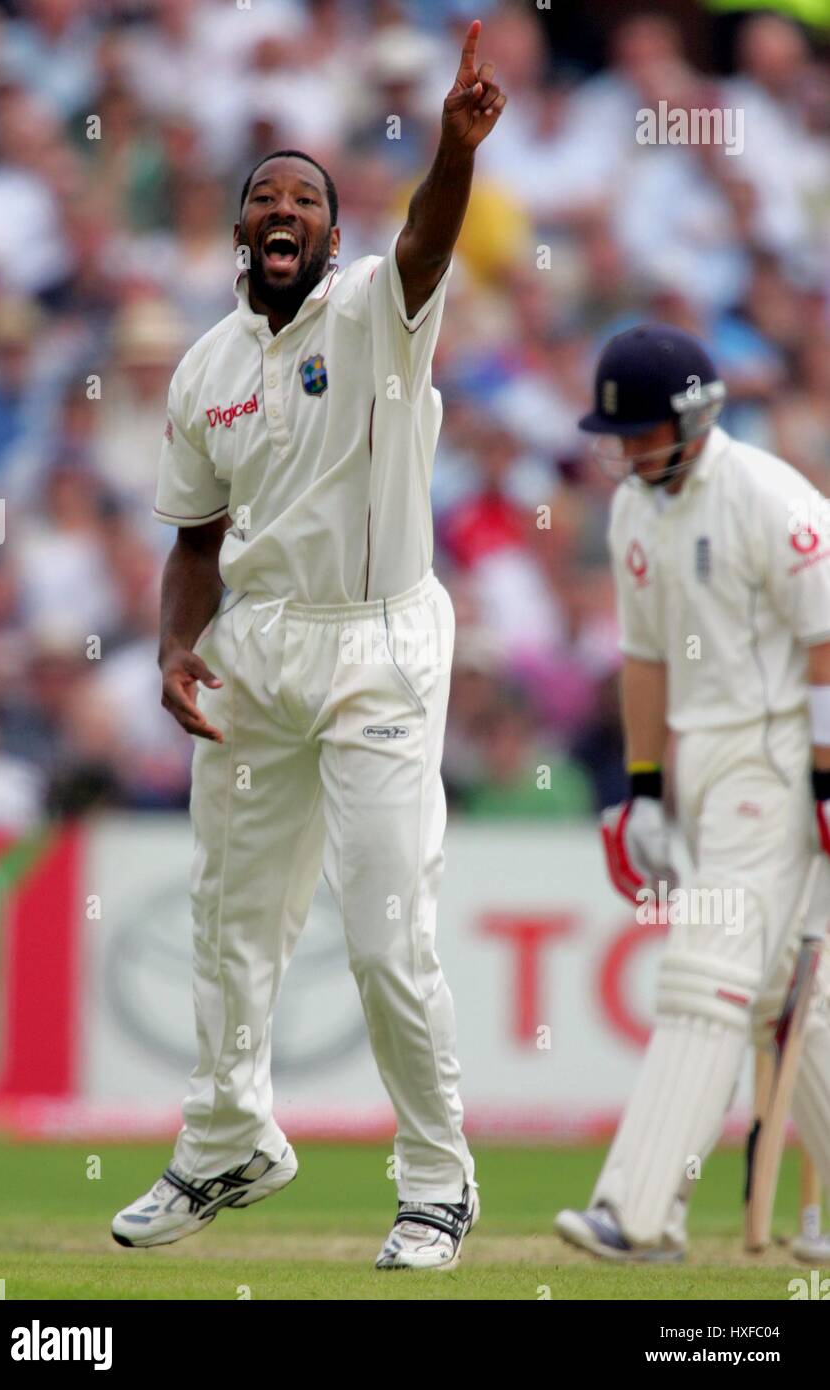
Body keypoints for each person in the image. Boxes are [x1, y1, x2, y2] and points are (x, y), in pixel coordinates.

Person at [111, 20, 507, 1272]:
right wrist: (175, 650)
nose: (282, 210)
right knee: (230, 920)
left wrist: (451, 154)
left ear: (331, 238)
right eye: (262, 198)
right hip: (253, 650)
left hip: (379, 645)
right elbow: (192, 538)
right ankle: (227, 1137)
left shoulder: (378, 315)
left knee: (386, 929)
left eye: (306, 201)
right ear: (241, 233)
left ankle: (436, 1185)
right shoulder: (203, 370)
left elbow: (431, 235)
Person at [554, 324, 830, 1261]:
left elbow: (826, 638)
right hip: (704, 761)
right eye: (616, 438)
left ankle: (639, 1214)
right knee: (781, 998)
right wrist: (640, 792)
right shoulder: (637, 511)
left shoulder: (767, 496)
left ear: (697, 416)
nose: (628, 454)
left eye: (641, 436)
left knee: (705, 968)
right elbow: (643, 658)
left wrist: (827, 778)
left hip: (781, 748)